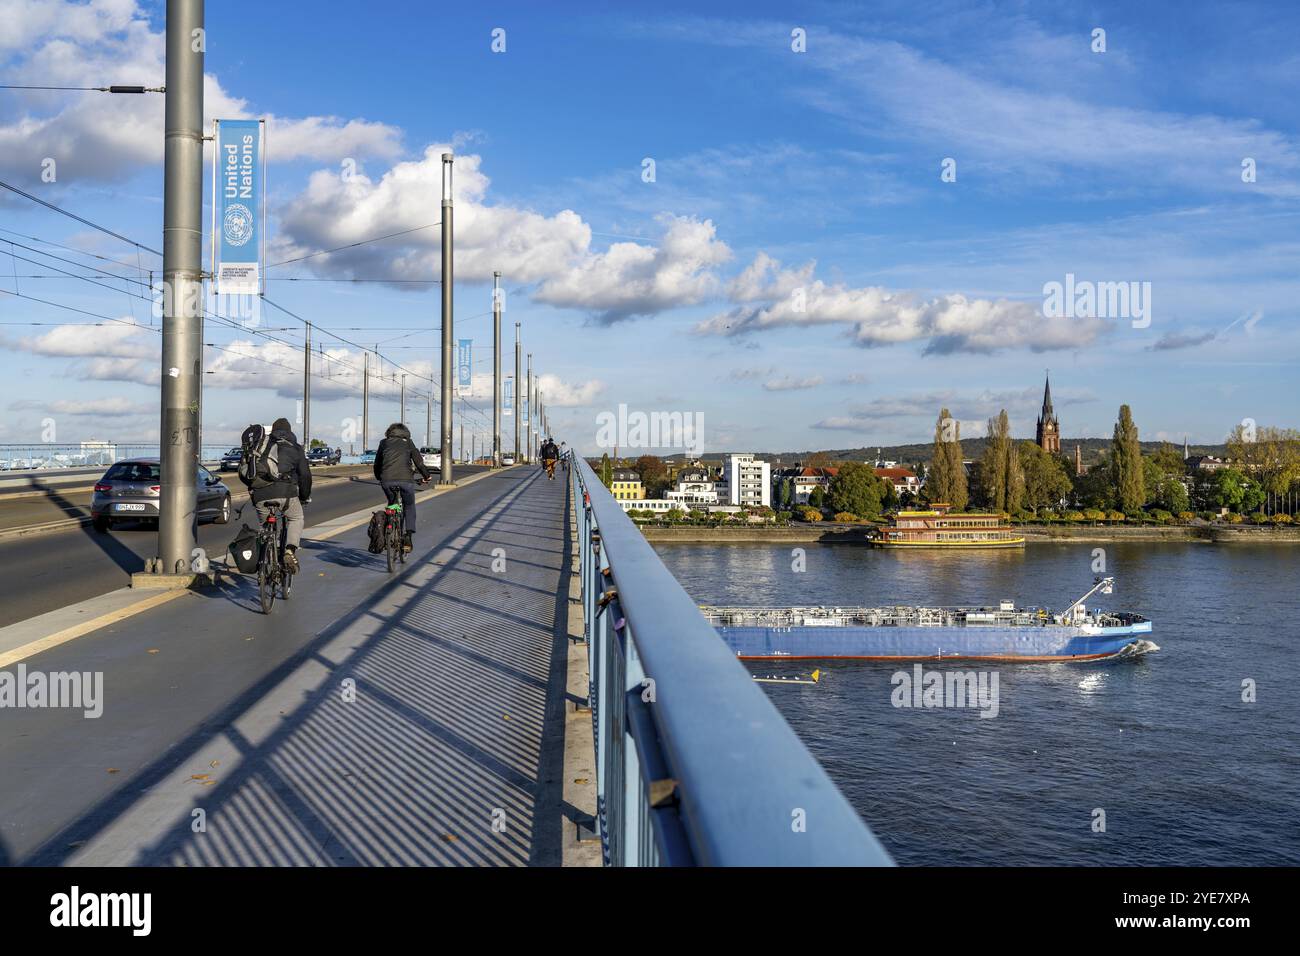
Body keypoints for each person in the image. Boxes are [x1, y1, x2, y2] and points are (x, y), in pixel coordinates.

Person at [244, 417, 312, 574]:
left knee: (265, 527)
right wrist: (304, 496)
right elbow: (305, 476)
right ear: (289, 431)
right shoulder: (295, 447)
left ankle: (265, 556)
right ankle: (289, 550)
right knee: (296, 518)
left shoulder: (262, 445)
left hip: (261, 494)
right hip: (286, 493)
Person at [375, 422, 431, 551]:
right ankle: (408, 538)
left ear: (389, 433)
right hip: (406, 480)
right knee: (409, 505)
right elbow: (418, 462)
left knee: (392, 503)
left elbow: (377, 464)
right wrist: (426, 475)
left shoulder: (383, 443)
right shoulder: (408, 442)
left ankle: (390, 526)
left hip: (387, 480)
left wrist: (380, 477)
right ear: (406, 433)